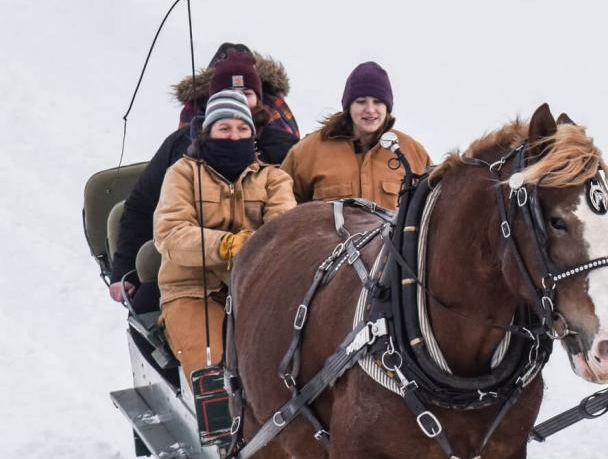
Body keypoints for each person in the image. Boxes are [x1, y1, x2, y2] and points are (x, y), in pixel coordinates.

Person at [109, 46, 298, 311]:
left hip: (261, 270)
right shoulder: (181, 147)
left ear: (259, 98)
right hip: (193, 269)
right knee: (146, 310)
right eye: (229, 94)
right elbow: (142, 205)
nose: (239, 100)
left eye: (247, 94)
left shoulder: (284, 147)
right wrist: (124, 268)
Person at [153, 90, 296, 384]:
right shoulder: (182, 174)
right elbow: (171, 233)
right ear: (207, 131)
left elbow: (284, 230)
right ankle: (220, 430)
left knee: (290, 367)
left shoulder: (274, 177)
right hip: (193, 290)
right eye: (225, 128)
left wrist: (255, 248)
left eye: (242, 128)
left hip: (257, 290)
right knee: (216, 374)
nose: (234, 136)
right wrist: (227, 245)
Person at [282, 61, 430, 211]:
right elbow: (279, 210)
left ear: (387, 107)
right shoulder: (308, 152)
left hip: (390, 236)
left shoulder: (413, 154)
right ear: (349, 106)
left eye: (378, 102)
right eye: (361, 102)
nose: (370, 109)